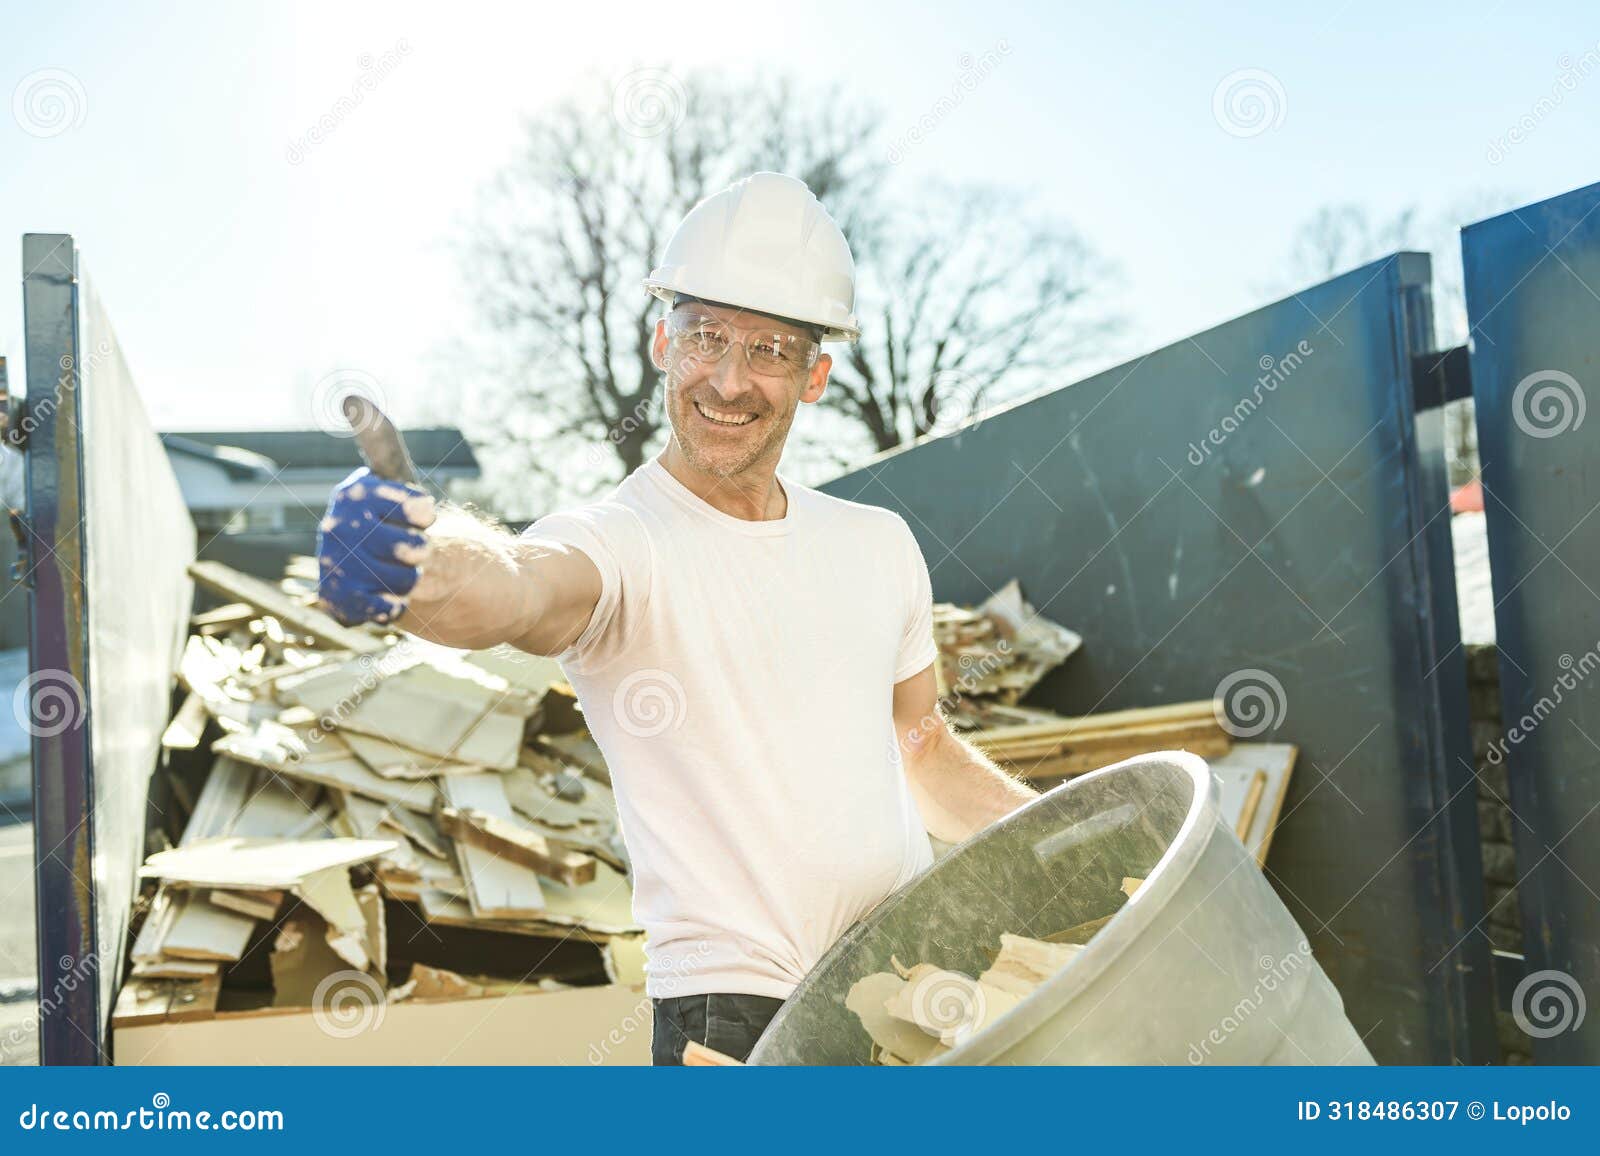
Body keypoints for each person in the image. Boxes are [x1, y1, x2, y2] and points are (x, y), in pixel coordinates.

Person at [317, 172, 1036, 1064]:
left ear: (815, 373)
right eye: (706, 337)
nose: (730, 380)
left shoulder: (876, 541)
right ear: (665, 342)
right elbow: (517, 588)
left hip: (912, 984)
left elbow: (920, 745)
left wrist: (1067, 832)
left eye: (770, 349)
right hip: (735, 1016)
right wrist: (416, 560)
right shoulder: (623, 543)